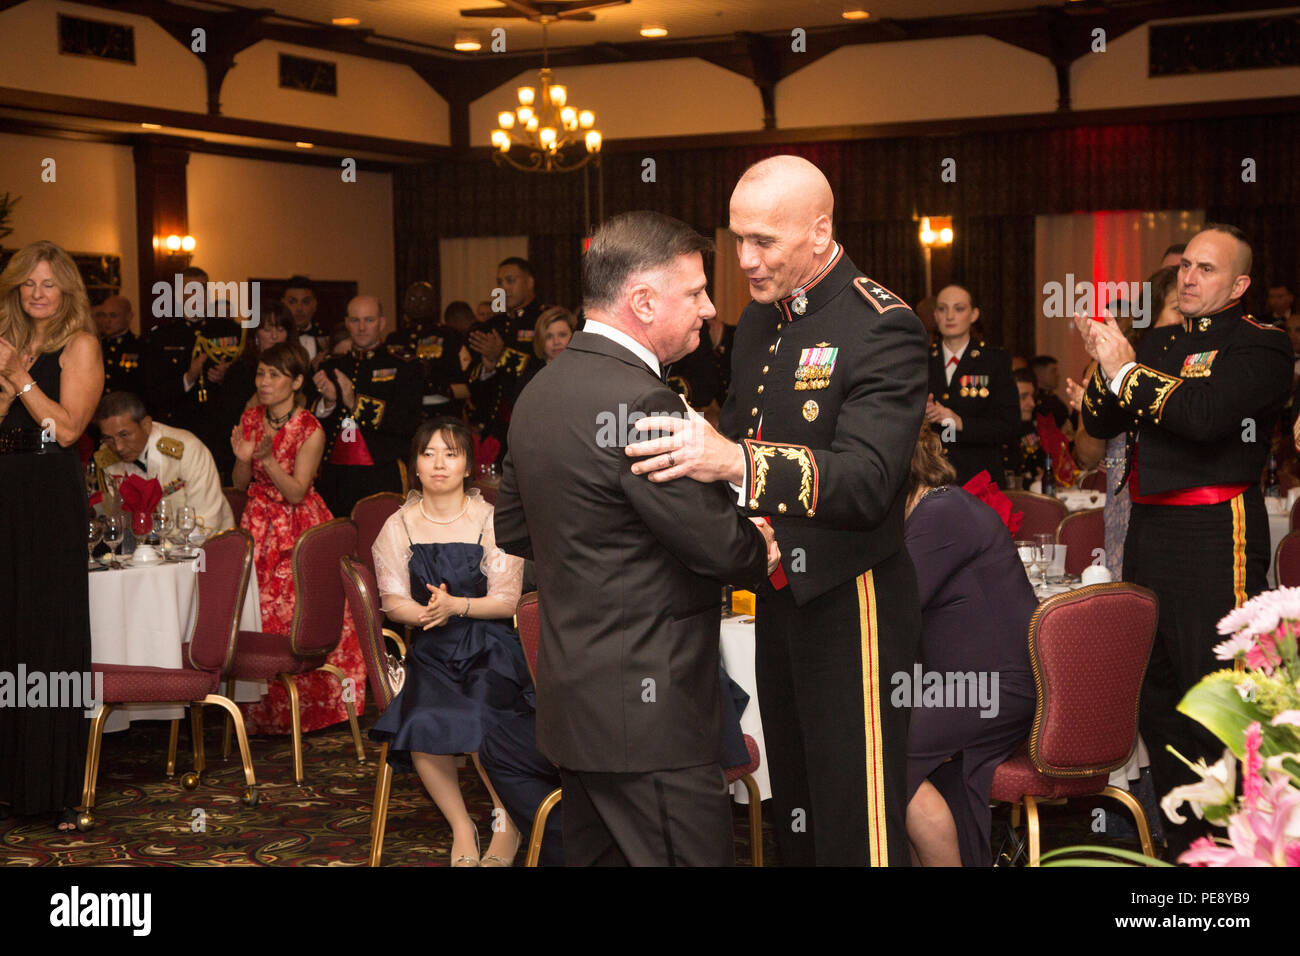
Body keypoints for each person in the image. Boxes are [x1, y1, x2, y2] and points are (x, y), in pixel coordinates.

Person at [625, 155, 929, 866]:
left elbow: (868, 482)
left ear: (821, 232)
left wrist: (734, 461)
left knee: (855, 813)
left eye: (764, 241)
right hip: (780, 591)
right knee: (794, 800)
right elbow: (742, 434)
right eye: (736, 239)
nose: (745, 260)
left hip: (854, 597)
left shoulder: (882, 325)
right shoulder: (762, 322)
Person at [495, 210, 776, 866]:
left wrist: (610, 553)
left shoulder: (540, 390)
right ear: (644, 301)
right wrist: (759, 539)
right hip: (654, 721)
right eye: (696, 292)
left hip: (576, 708)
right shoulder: (644, 403)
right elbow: (724, 549)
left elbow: (515, 527)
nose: (709, 309)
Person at [1077, 223, 1292, 857]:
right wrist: (1104, 365)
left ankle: (1238, 846)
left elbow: (1203, 419)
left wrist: (1125, 370)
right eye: (1185, 268)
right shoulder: (1159, 341)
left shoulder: (1262, 346)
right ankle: (1184, 841)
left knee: (1213, 688)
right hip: (1148, 528)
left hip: (1213, 526)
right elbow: (1098, 421)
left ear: (1239, 285)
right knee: (1159, 695)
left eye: (1205, 269)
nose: (1188, 278)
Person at [369, 418, 532, 866]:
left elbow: (506, 601)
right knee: (424, 719)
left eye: (451, 453)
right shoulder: (397, 525)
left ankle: (505, 821)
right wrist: (428, 614)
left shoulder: (491, 519)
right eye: (428, 454)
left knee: (483, 714)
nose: (439, 463)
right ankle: (461, 824)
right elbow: (391, 601)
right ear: (415, 467)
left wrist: (456, 606)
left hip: (490, 643)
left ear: (467, 466)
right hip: (433, 646)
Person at [0, 240, 104, 829]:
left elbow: (65, 431)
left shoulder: (79, 344)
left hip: (47, 499)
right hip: (6, 493)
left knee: (48, 635)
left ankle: (59, 788)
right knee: (9, 633)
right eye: (28, 284)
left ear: (66, 290)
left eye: (48, 284)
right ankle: (13, 782)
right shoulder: (14, 342)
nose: (37, 294)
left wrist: (18, 376)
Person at [902, 425, 1035, 866]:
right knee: (881, 739)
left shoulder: (940, 515)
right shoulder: (940, 508)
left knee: (879, 751)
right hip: (967, 686)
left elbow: (890, 612)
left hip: (994, 688)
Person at [230, 342, 366, 734]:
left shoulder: (310, 427)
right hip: (256, 521)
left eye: (275, 375)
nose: (265, 382)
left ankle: (310, 710)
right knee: (257, 612)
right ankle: (260, 713)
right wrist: (243, 458)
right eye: (261, 374)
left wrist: (269, 460)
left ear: (297, 381)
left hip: (296, 526)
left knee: (296, 612)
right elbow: (241, 484)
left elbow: (296, 492)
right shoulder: (251, 417)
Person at [1067, 265, 1180, 580]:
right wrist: (1091, 410)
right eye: (1177, 309)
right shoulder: (1114, 366)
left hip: (1184, 509)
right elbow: (1087, 456)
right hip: (1126, 505)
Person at [312, 295, 423, 518]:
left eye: (369, 320)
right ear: (346, 323)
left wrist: (355, 403)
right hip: (335, 474)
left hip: (381, 471)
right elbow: (313, 423)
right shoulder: (332, 364)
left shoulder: (403, 365)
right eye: (355, 321)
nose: (362, 328)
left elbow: (408, 421)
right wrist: (329, 402)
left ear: (382, 323)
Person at [144, 265, 245, 478]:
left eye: (202, 289)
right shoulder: (163, 336)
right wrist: (188, 377)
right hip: (180, 426)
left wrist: (228, 376)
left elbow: (247, 380)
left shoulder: (229, 330)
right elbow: (153, 391)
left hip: (220, 429)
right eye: (190, 290)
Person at [95, 390, 234, 533]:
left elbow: (208, 521)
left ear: (146, 425)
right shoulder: (108, 459)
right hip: (144, 549)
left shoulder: (187, 450)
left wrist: (167, 552)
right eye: (108, 438)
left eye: (124, 435)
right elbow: (121, 520)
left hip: (208, 545)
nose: (118, 447)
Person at [924, 284, 1019, 486]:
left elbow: (1009, 426)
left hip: (978, 479)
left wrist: (959, 422)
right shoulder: (921, 361)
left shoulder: (994, 361)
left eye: (959, 309)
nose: (949, 316)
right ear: (935, 315)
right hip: (931, 477)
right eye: (942, 309)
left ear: (974, 314)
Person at [94, 295, 144, 397]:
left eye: (113, 315)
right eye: (103, 315)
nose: (107, 321)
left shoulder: (141, 346)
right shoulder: (96, 345)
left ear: (128, 317)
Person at [282, 275, 326, 362]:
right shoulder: (275, 337)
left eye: (305, 302)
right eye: (292, 302)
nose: (299, 308)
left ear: (314, 305)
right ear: (283, 304)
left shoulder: (326, 338)